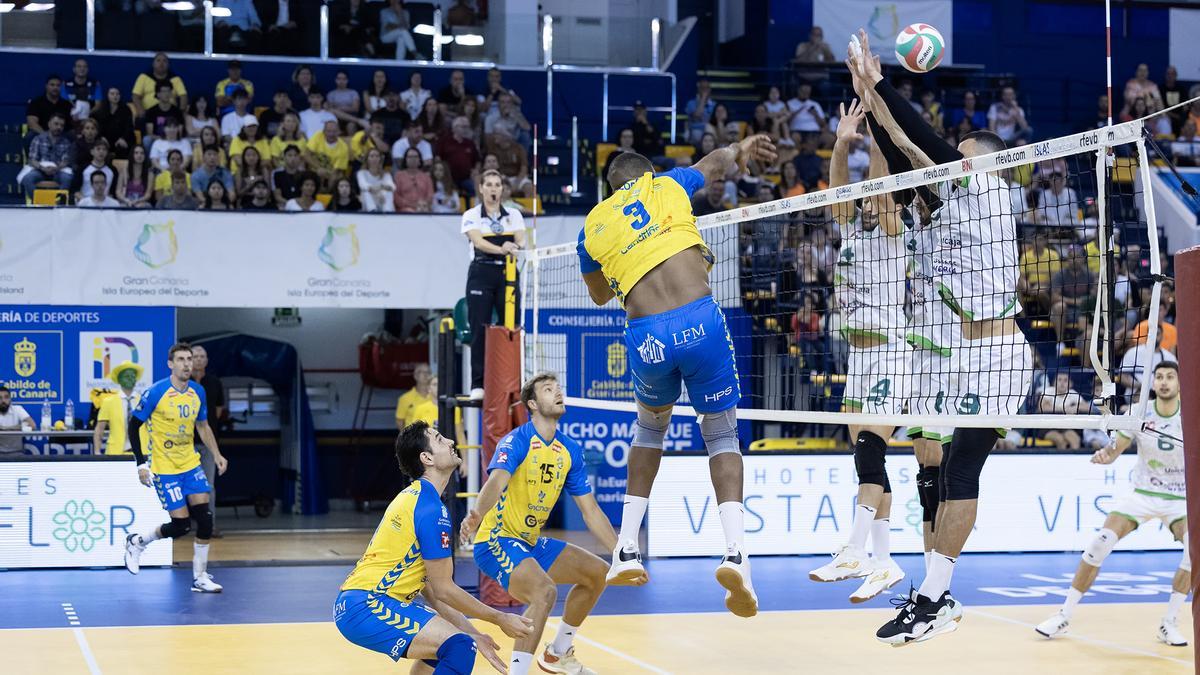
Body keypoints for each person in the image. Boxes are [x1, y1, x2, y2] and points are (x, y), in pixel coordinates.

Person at [849, 29, 1031, 644]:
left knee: (961, 473)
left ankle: (932, 599)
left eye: (963, 153)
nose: (953, 158)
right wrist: (872, 108)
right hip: (964, 355)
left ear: (985, 161)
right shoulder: (951, 202)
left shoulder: (987, 190)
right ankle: (935, 598)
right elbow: (905, 153)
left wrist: (882, 87)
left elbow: (922, 144)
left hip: (999, 353)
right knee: (948, 470)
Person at [579, 101, 776, 616]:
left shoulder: (591, 227)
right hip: (700, 321)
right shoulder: (665, 186)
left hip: (646, 338)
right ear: (646, 176)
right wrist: (739, 147)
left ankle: (625, 548)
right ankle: (737, 553)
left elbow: (600, 294)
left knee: (649, 431)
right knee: (721, 433)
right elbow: (714, 164)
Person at [462, 373, 642, 675]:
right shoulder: (518, 440)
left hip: (530, 542)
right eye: (548, 389)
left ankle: (558, 653)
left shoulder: (569, 449)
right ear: (532, 404)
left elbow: (591, 510)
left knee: (598, 574)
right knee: (543, 591)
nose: (558, 392)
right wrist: (477, 514)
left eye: (559, 388)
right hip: (496, 540)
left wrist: (621, 558)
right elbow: (496, 481)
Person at [807, 100, 908, 602]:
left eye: (873, 199)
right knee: (868, 459)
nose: (865, 204)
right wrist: (843, 140)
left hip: (893, 352)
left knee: (870, 446)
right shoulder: (852, 229)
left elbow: (877, 187)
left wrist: (877, 143)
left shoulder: (895, 230)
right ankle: (884, 562)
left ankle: (852, 548)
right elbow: (840, 194)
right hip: (858, 357)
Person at [335, 421, 533, 671]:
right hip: (369, 605)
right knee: (459, 646)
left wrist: (474, 632)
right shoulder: (429, 509)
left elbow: (430, 590)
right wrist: (499, 617)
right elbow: (444, 590)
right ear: (426, 457)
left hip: (361, 603)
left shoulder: (417, 498)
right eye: (440, 439)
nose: (451, 442)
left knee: (450, 646)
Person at [1035, 362, 1188, 647]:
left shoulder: (1191, 415)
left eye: (1170, 377)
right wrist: (1106, 455)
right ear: (1152, 383)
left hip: (1180, 499)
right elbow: (1116, 450)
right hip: (1143, 494)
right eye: (1159, 377)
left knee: (1194, 552)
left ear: (1180, 383)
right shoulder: (1140, 413)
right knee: (1100, 542)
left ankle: (1169, 623)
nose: (1164, 382)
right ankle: (1063, 615)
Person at [123, 343, 228, 593]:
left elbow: (202, 426)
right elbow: (133, 426)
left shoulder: (198, 392)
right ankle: (137, 542)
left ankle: (200, 577)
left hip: (190, 462)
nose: (187, 364)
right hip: (165, 466)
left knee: (205, 520)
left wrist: (216, 454)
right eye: (181, 359)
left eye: (189, 359)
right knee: (181, 526)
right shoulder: (156, 392)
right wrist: (141, 464)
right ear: (171, 364)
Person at [461, 169, 527, 399]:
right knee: (480, 328)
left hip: (507, 272)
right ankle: (478, 384)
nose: (493, 189)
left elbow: (521, 239)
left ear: (502, 189)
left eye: (497, 184)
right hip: (481, 271)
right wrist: (503, 248)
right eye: (488, 184)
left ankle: (513, 380)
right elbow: (478, 242)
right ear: (481, 188)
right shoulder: (471, 215)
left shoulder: (514, 215)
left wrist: (514, 246)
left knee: (512, 326)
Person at [189, 345, 226, 536]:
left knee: (208, 486)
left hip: (208, 444)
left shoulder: (214, 382)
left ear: (207, 360)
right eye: (195, 356)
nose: (199, 359)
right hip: (185, 443)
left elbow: (217, 412)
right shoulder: (182, 383)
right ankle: (181, 524)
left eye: (202, 356)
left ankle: (209, 525)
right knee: (183, 485)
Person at [93, 361, 144, 455]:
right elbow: (99, 430)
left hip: (142, 453)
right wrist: (97, 452)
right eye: (127, 376)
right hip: (115, 453)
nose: (130, 379)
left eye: (133, 376)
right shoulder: (108, 402)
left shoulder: (144, 401)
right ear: (119, 379)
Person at [19, 112, 74, 197]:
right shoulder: (38, 139)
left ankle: (59, 204)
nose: (59, 127)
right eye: (56, 124)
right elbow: (32, 159)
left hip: (58, 171)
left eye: (61, 125)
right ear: (49, 124)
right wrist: (43, 168)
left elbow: (66, 161)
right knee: (28, 179)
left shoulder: (66, 143)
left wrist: (56, 168)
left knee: (67, 179)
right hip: (40, 170)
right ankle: (39, 203)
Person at [131, 52, 188, 119]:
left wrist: (180, 113)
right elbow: (135, 96)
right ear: (153, 64)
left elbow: (183, 96)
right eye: (158, 60)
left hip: (170, 116)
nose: (161, 63)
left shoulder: (176, 79)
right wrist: (141, 111)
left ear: (168, 65)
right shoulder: (143, 77)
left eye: (164, 61)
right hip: (149, 114)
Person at [25, 74, 74, 141]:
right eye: (52, 85)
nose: (55, 88)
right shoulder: (36, 102)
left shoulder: (67, 104)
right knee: (30, 136)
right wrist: (46, 135)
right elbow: (32, 123)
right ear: (46, 86)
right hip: (42, 132)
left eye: (58, 85)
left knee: (73, 135)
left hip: (61, 132)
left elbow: (71, 125)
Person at [306, 120, 351, 191]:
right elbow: (306, 154)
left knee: (338, 176)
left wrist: (327, 174)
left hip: (331, 172)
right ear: (324, 131)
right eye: (328, 131)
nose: (331, 134)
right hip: (314, 169)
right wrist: (318, 168)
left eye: (334, 131)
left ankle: (329, 194)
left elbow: (337, 170)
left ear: (339, 132)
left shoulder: (343, 147)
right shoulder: (318, 136)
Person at [92, 87, 136, 160]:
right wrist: (101, 137)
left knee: (123, 147)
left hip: (121, 138)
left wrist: (123, 138)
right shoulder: (100, 110)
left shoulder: (126, 109)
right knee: (100, 144)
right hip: (105, 138)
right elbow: (95, 125)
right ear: (107, 95)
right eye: (112, 94)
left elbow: (129, 127)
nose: (115, 96)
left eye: (117, 94)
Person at [393, 147, 433, 212]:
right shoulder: (399, 176)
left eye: (416, 157)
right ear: (405, 160)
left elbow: (430, 195)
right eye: (410, 157)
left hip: (423, 209)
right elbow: (396, 196)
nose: (413, 159)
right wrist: (412, 205)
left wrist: (422, 205)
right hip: (405, 210)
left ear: (420, 160)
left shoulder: (426, 177)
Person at [395, 363, 434, 430]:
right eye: (421, 372)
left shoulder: (436, 397)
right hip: (414, 438)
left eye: (428, 372)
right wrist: (407, 438)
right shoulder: (405, 398)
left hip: (434, 437)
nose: (425, 374)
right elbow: (400, 422)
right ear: (415, 376)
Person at [357, 147, 396, 213]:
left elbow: (392, 187)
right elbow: (363, 185)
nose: (374, 158)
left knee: (389, 192)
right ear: (367, 159)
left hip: (382, 200)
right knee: (366, 191)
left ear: (380, 159)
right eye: (372, 156)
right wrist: (378, 192)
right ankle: (372, 211)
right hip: (369, 203)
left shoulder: (386, 174)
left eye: (377, 156)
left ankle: (388, 212)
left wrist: (381, 188)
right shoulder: (361, 173)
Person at [0, 385, 34, 455]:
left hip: (17, 452)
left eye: (6, 397)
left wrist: (5, 428)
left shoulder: (17, 409)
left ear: (10, 399)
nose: (3, 401)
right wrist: (19, 427)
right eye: (0, 398)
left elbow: (32, 425)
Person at [685, 79, 716, 144]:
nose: (705, 90)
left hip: (711, 130)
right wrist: (703, 98)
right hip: (696, 130)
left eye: (706, 88)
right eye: (702, 88)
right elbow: (697, 116)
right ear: (698, 89)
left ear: (710, 89)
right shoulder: (691, 103)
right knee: (697, 134)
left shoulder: (714, 104)